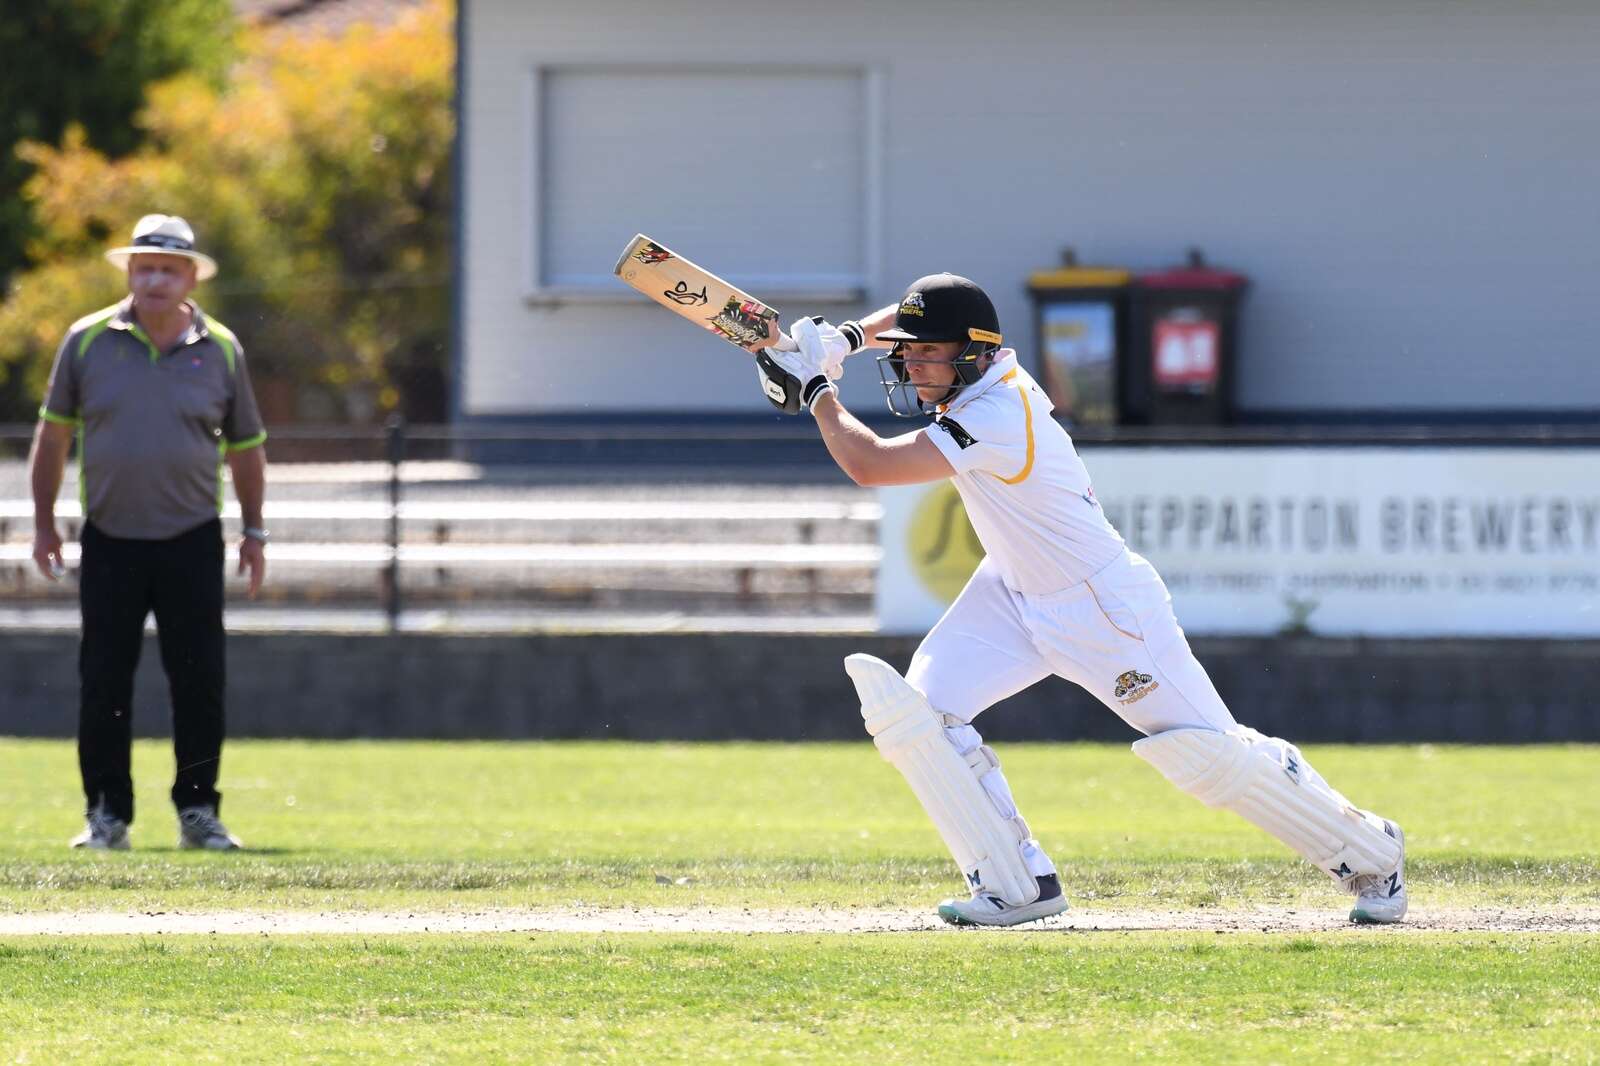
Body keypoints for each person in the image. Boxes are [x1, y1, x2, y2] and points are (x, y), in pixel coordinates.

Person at [747, 273, 1406, 927]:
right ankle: (1016, 884)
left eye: (926, 353)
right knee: (920, 719)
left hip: (1102, 609)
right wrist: (851, 336)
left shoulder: (997, 412)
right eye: (908, 352)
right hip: (1010, 593)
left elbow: (873, 467)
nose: (913, 365)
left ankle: (1373, 854)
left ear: (972, 353)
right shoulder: (977, 370)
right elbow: (934, 301)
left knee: (1207, 757)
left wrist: (818, 391)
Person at [28, 214, 269, 852]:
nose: (155, 278)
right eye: (144, 266)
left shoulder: (220, 348)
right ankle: (107, 814)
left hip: (191, 539)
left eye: (169, 267)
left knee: (198, 682)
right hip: (110, 539)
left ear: (192, 276)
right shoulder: (86, 342)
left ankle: (198, 811)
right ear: (129, 273)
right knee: (104, 680)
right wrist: (45, 523)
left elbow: (246, 446)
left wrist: (255, 531)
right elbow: (52, 436)